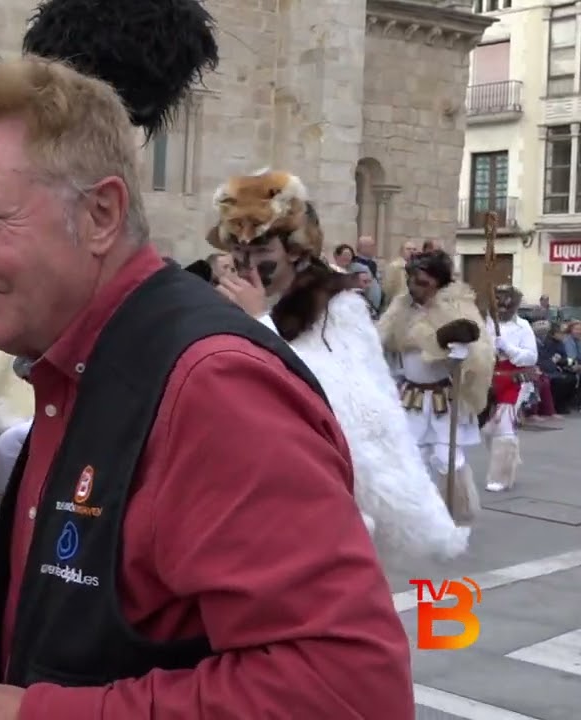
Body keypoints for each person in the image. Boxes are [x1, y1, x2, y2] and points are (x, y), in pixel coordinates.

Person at [0, 54, 411, 720]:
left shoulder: (211, 387)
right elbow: (96, 630)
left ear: (101, 214)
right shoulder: (74, 366)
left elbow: (349, 693)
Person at [212, 170, 467, 560]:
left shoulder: (336, 305)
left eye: (263, 251)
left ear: (295, 250)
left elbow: (337, 405)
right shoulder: (230, 299)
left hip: (319, 505)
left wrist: (259, 322)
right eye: (241, 252)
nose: (248, 264)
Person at [378, 250, 494, 520]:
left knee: (447, 456)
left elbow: (481, 353)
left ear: (438, 282)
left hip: (444, 397)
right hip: (409, 397)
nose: (413, 287)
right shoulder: (400, 308)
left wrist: (462, 355)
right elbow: (385, 343)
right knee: (411, 454)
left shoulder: (457, 307)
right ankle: (417, 510)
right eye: (411, 280)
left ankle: (456, 508)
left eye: (422, 282)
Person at [483, 284, 538, 492]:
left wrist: (508, 347)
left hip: (514, 380)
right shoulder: (485, 324)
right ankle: (508, 459)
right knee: (489, 430)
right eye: (499, 302)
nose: (503, 307)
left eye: (507, 302)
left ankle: (502, 476)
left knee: (504, 428)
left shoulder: (523, 326)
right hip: (489, 380)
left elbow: (531, 356)